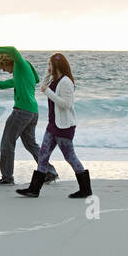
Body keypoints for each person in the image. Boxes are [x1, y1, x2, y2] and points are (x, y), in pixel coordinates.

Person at [17, 52, 91, 199]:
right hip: (52, 125)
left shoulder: (66, 82)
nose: (48, 67)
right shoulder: (54, 79)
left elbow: (66, 104)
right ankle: (34, 189)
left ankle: (85, 189)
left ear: (57, 65)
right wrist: (48, 72)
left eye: (50, 64)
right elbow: (43, 86)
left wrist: (49, 92)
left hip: (64, 127)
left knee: (70, 157)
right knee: (43, 155)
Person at [0, 45, 57, 185]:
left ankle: (7, 178)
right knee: (31, 144)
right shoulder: (25, 67)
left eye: (3, 67)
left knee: (7, 143)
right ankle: (50, 171)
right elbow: (34, 79)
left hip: (21, 111)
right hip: (33, 112)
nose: (5, 70)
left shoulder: (19, 63)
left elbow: (13, 50)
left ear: (8, 62)